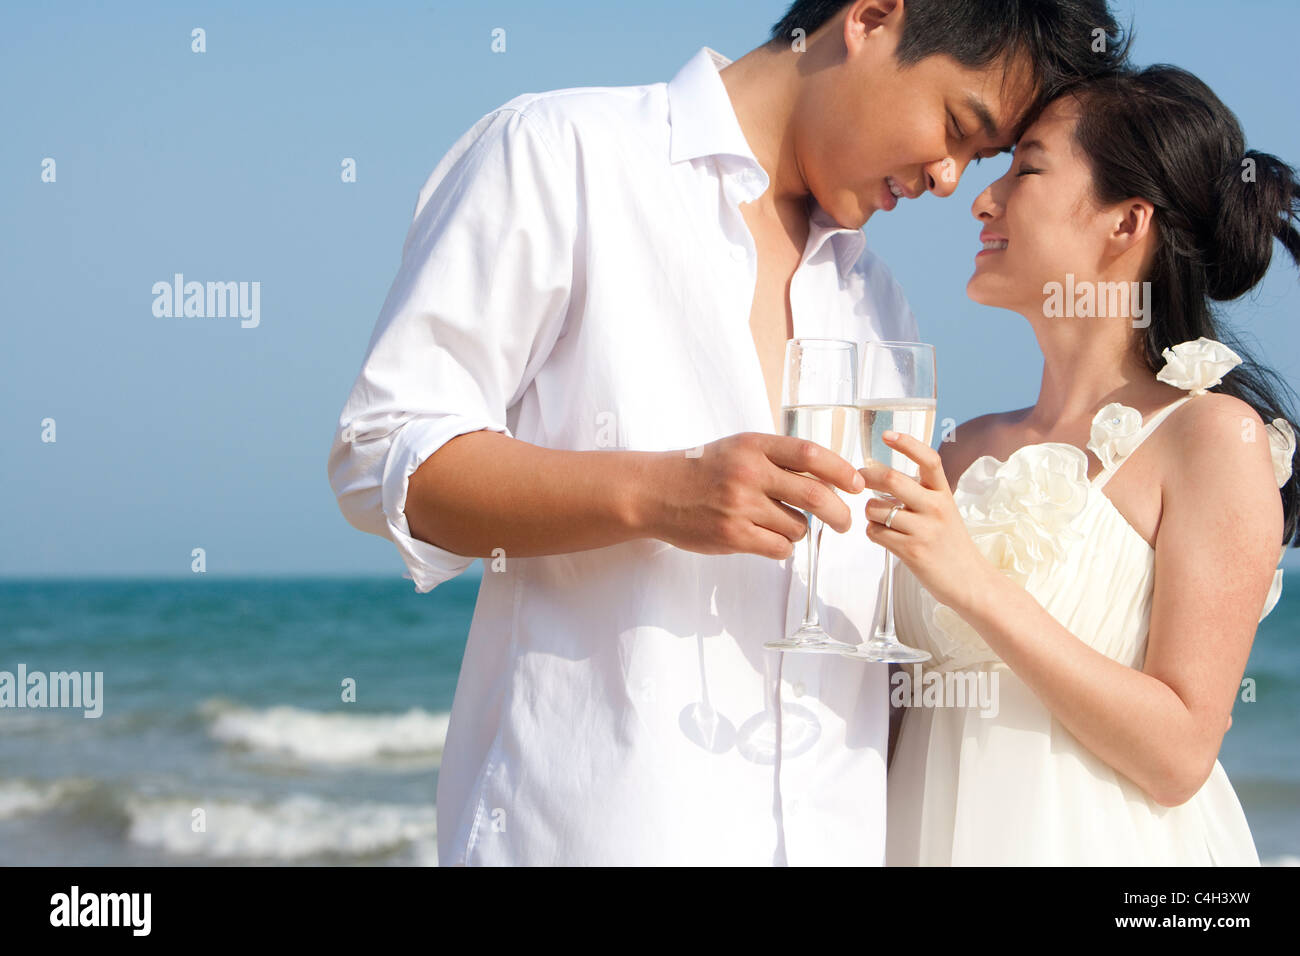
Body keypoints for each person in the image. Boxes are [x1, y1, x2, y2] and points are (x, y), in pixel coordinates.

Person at [327, 0, 1126, 865]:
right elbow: (384, 457)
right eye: (955, 127)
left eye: (978, 158)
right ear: (870, 18)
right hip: (593, 835)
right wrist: (661, 494)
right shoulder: (565, 155)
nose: (949, 179)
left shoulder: (880, 307)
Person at [866, 64, 1299, 865]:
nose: (983, 199)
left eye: (1025, 168)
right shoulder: (958, 449)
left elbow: (1179, 755)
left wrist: (975, 584)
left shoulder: (1211, 439)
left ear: (1125, 223)